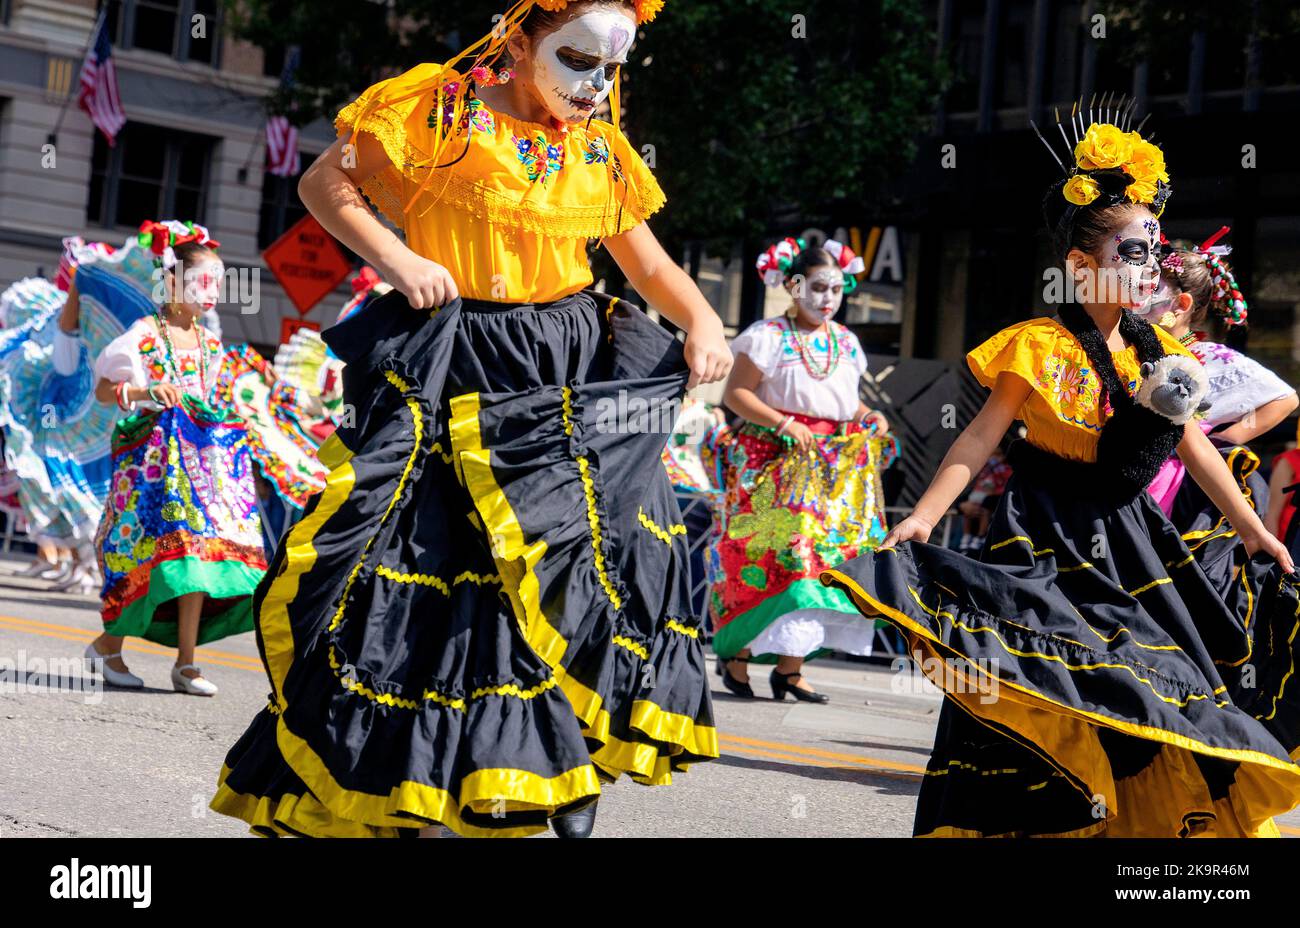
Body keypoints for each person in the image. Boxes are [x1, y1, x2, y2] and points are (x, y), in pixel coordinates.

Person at [209, 0, 730, 839]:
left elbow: (650, 262)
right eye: (577, 60)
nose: (595, 85)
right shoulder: (441, 114)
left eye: (610, 69)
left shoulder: (597, 148)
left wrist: (703, 323)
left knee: (586, 560)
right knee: (445, 576)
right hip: (459, 363)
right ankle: (437, 775)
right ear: (521, 41)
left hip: (567, 370)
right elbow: (323, 184)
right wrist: (401, 258)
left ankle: (563, 754)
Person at [823, 103, 1300, 837]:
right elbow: (977, 440)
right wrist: (921, 516)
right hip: (1043, 532)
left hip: (1134, 542)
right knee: (1041, 674)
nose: (1149, 268)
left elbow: (1196, 449)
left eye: (1153, 252)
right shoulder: (1038, 343)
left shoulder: (1157, 356)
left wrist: (1256, 532)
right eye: (1131, 253)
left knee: (1152, 685)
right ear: (1081, 266)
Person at [85, 225, 267, 696]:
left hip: (199, 469)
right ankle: (109, 643)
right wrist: (145, 391)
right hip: (149, 471)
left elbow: (216, 399)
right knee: (145, 557)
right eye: (201, 283)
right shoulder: (143, 335)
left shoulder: (210, 345)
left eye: (217, 285)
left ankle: (186, 663)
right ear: (172, 283)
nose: (211, 294)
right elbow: (105, 390)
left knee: (197, 556)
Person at [712, 237, 895, 703]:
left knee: (824, 564)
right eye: (816, 287)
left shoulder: (847, 343)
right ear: (793, 287)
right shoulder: (767, 336)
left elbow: (844, 402)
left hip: (830, 471)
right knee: (781, 558)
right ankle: (740, 654)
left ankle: (791, 668)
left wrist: (867, 416)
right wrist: (785, 423)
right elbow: (736, 395)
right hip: (773, 465)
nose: (827, 299)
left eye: (835, 290)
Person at [1142, 229, 1296, 526]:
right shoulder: (1123, 347)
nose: (1137, 300)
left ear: (1182, 304)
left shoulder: (1210, 357)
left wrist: (1230, 437)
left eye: (1151, 291)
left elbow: (1285, 399)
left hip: (1173, 484)